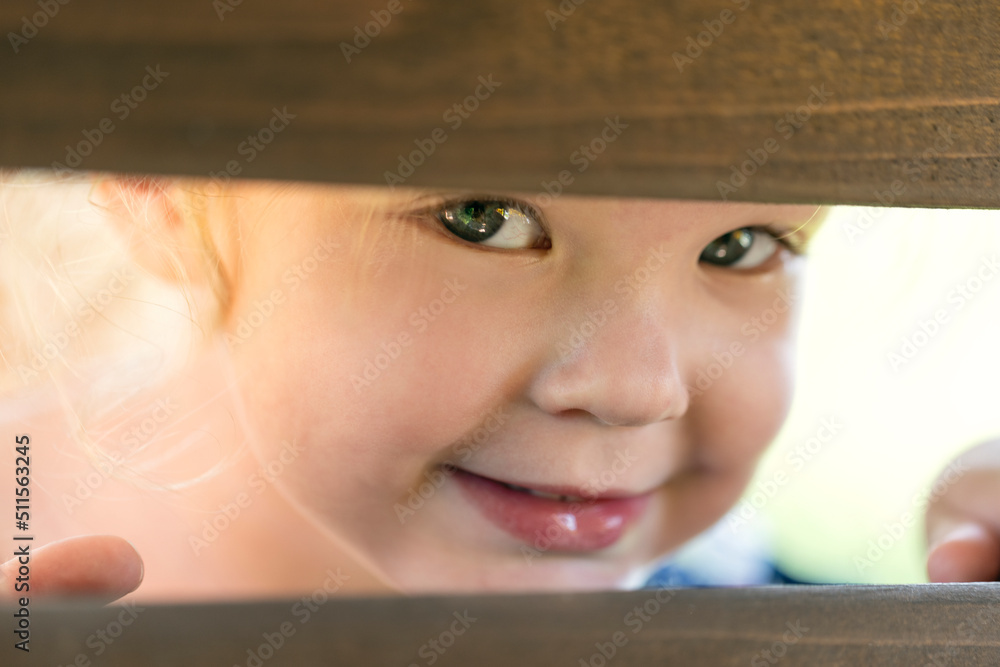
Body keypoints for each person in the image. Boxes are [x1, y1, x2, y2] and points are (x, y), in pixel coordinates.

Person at [0, 173, 993, 604]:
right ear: (162, 197)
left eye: (740, 245)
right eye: (483, 218)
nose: (636, 389)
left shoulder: (734, 604)